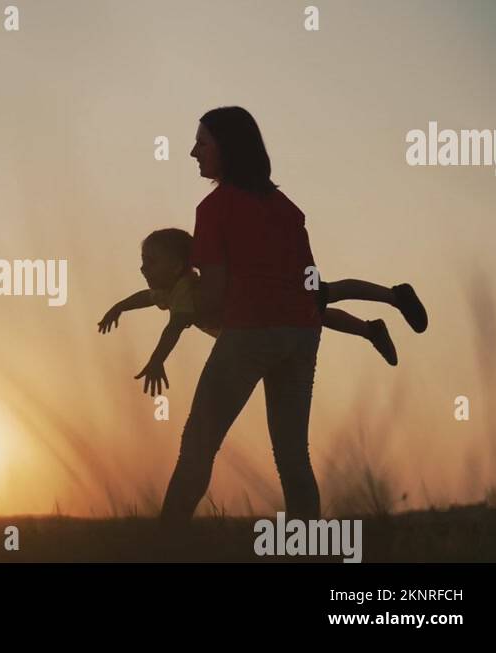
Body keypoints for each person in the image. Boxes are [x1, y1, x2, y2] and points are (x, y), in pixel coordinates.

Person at [157, 106, 425, 532]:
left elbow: (215, 287)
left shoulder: (214, 208)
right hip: (301, 334)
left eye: (202, 143)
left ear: (227, 148)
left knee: (198, 446)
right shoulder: (287, 207)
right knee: (292, 455)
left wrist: (188, 312)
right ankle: (309, 548)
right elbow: (312, 281)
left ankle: (163, 546)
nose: (193, 152)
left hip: (249, 333)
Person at [97, 228, 427, 397]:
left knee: (327, 293)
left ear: (178, 264)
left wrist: (157, 360)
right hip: (267, 318)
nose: (143, 267)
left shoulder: (185, 292)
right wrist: (119, 307)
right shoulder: (168, 290)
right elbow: (145, 297)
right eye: (143, 260)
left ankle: (394, 296)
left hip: (269, 300)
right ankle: (371, 330)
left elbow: (173, 329)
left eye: (151, 260)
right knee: (319, 312)